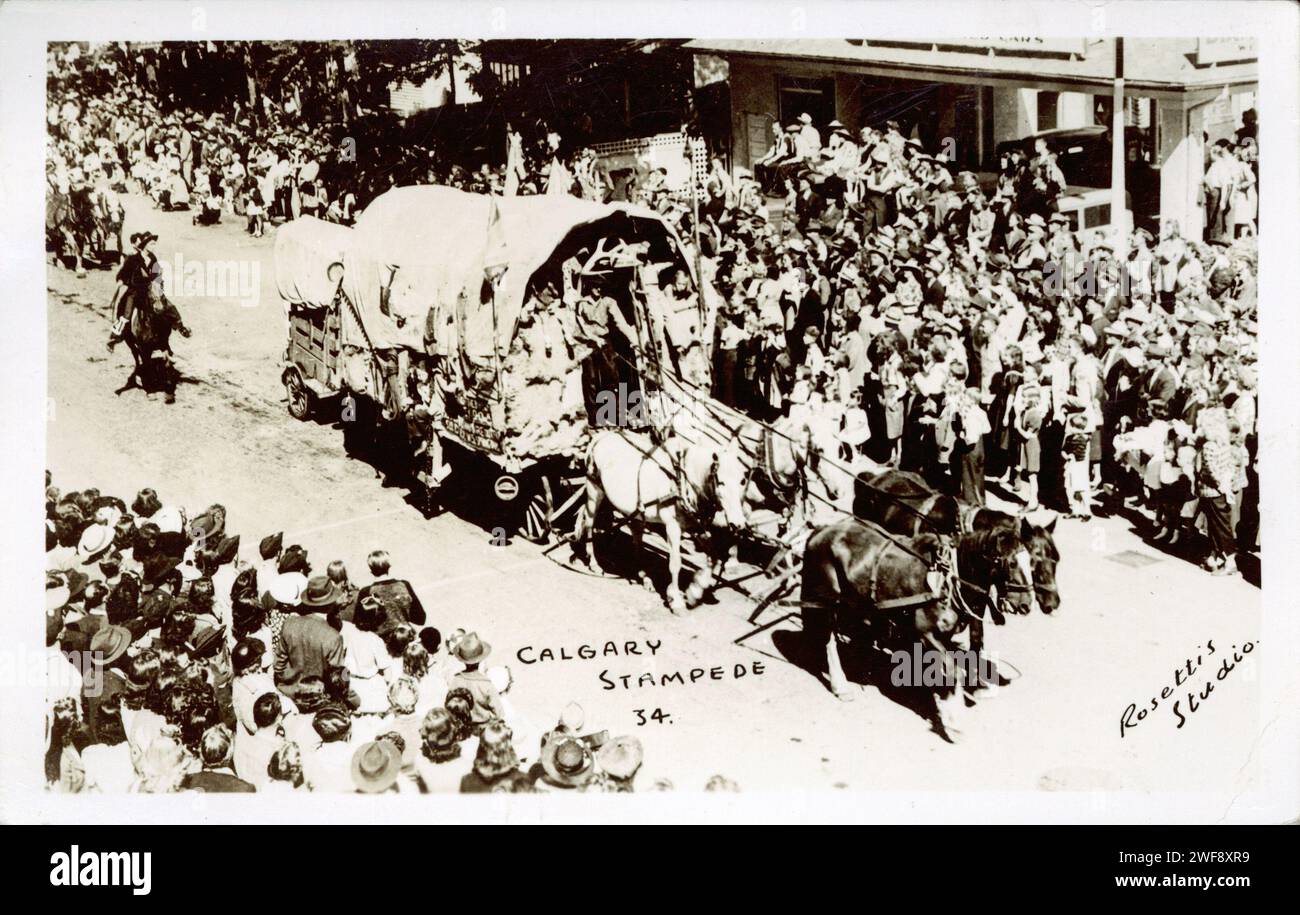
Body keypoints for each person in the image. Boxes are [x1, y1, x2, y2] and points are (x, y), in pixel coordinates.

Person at [273, 575, 346, 702]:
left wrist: (289, 683)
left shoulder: (289, 623)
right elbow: (337, 678)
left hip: (289, 692)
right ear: (330, 603)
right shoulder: (333, 637)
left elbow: (278, 665)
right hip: (318, 697)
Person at [445, 632, 505, 732]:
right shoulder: (486, 684)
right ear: (480, 660)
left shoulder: (455, 680)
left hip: (462, 728)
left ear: (463, 660)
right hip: (483, 729)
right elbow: (498, 713)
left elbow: (448, 704)